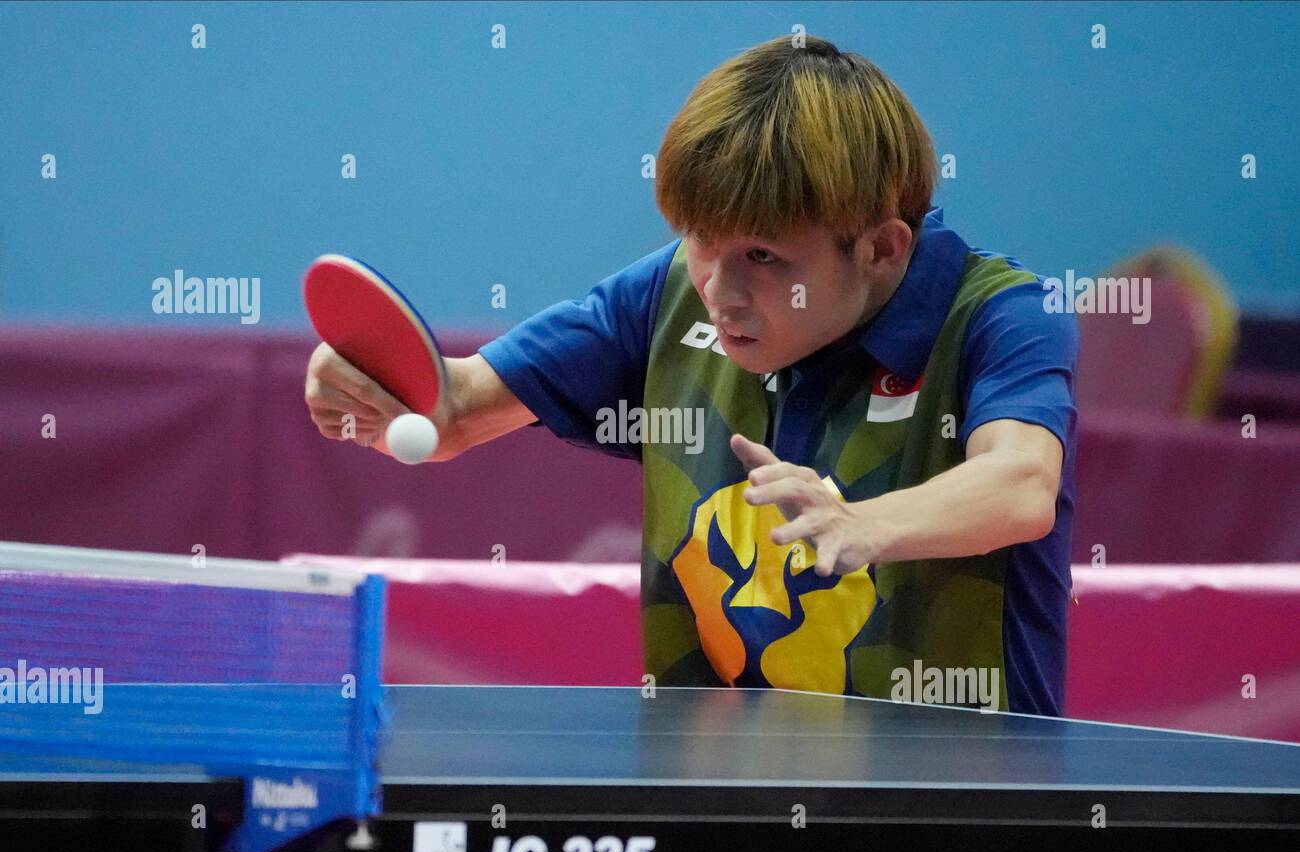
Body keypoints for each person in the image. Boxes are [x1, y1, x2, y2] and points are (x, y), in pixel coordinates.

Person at [304, 35, 1077, 716]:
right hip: (717, 801)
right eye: (703, 240)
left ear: (882, 248)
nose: (719, 287)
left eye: (764, 257)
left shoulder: (998, 318)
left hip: (957, 806)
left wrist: (863, 524)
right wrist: (372, 382)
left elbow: (1019, 483)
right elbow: (456, 410)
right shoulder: (668, 292)